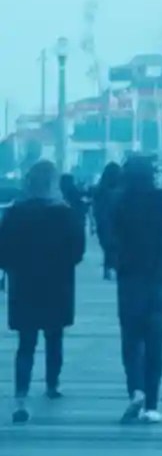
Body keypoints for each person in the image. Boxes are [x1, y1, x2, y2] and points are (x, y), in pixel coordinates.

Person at [0, 160, 87, 423]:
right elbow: (77, 250)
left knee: (26, 343)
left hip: (24, 284)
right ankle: (52, 384)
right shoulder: (64, 213)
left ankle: (20, 394)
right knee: (54, 337)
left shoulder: (16, 212)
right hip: (56, 283)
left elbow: (2, 250)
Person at [111, 154, 162, 424]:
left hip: (130, 282)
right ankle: (152, 405)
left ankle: (136, 389)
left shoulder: (120, 202)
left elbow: (108, 237)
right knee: (156, 342)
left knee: (131, 340)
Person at [94, 162, 123, 280]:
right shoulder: (121, 188)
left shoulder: (101, 188)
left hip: (103, 219)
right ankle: (114, 266)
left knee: (107, 245)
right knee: (116, 245)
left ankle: (108, 267)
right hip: (117, 220)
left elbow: (96, 205)